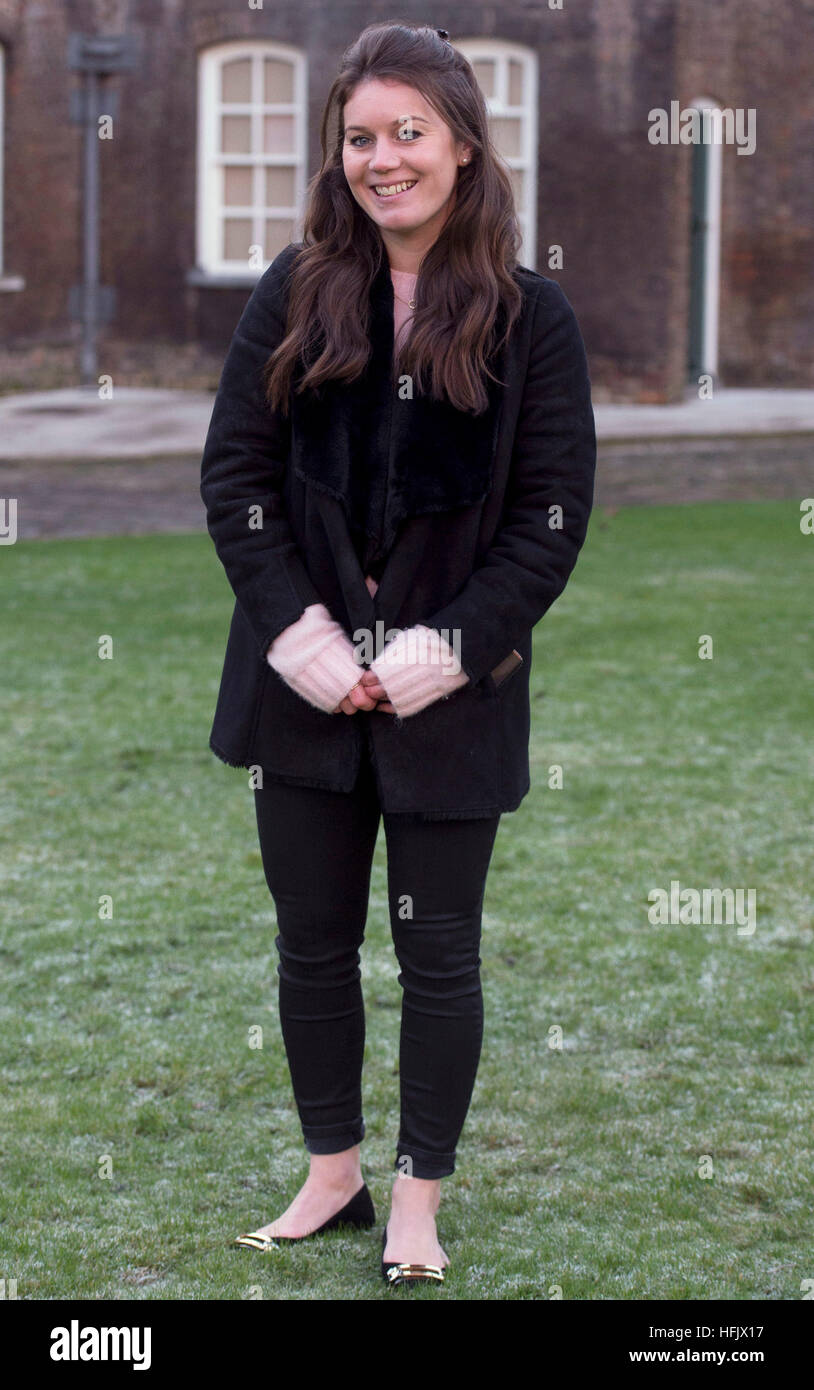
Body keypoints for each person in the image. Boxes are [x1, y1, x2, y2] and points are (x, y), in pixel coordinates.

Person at [200, 21, 596, 1288]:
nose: (383, 159)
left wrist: (445, 651)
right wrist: (300, 636)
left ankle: (417, 1198)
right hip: (302, 699)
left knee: (439, 954)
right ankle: (333, 1175)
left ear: (464, 145)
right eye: (360, 137)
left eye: (408, 132)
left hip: (452, 706)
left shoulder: (532, 316)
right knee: (311, 945)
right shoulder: (295, 288)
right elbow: (235, 480)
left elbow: (550, 520)